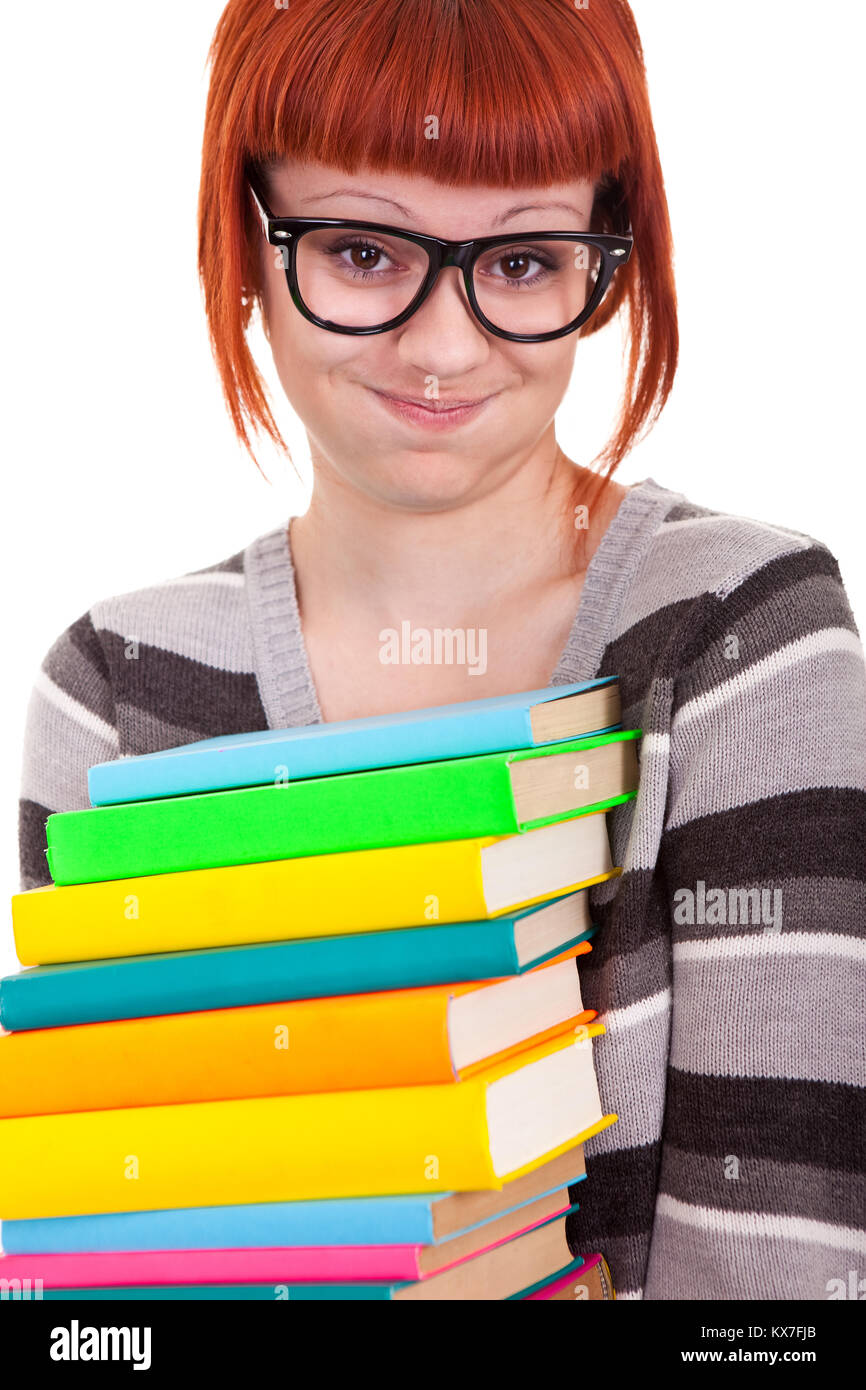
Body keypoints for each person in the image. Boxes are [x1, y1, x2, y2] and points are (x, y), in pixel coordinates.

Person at [18, 0, 866, 1299]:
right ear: (245, 241)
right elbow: (112, 1248)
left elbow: (774, 1297)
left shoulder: (741, 626)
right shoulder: (119, 680)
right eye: (361, 250)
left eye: (523, 262)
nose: (441, 345)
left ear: (611, 259)